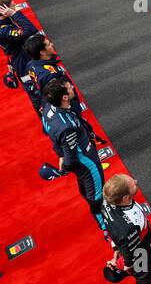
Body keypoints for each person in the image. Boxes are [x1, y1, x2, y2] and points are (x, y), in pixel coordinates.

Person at [41, 78, 108, 236]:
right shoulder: (67, 126)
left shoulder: (48, 108)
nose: (72, 88)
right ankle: (106, 229)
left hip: (82, 161)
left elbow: (50, 135)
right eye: (70, 88)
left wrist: (60, 155)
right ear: (64, 97)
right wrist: (64, 164)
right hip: (87, 164)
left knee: (87, 191)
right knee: (96, 197)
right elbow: (70, 161)